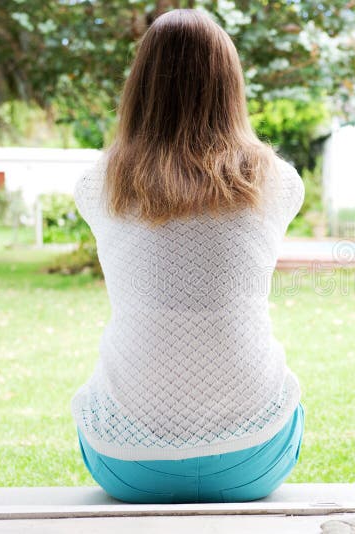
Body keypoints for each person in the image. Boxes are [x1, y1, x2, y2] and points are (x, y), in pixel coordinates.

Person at [70, 9, 305, 504]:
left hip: (126, 464)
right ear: (230, 85)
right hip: (254, 458)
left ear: (141, 85)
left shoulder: (99, 181)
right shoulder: (278, 180)